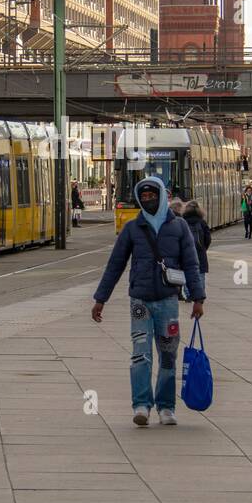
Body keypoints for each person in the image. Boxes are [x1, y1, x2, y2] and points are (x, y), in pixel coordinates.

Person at [92, 176, 204, 428]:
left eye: (151, 196)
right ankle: (141, 405)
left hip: (167, 302)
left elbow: (191, 263)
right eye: (143, 198)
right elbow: (115, 264)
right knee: (140, 355)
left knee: (167, 356)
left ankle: (166, 407)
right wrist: (101, 298)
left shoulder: (179, 227)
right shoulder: (133, 228)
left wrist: (198, 298)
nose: (147, 201)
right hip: (140, 301)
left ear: (161, 196)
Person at [181, 200, 211, 295]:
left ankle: (188, 293)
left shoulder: (182, 222)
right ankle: (200, 293)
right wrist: (203, 248)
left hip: (186, 252)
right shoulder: (202, 222)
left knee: (186, 272)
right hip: (200, 251)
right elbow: (208, 238)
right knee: (200, 273)